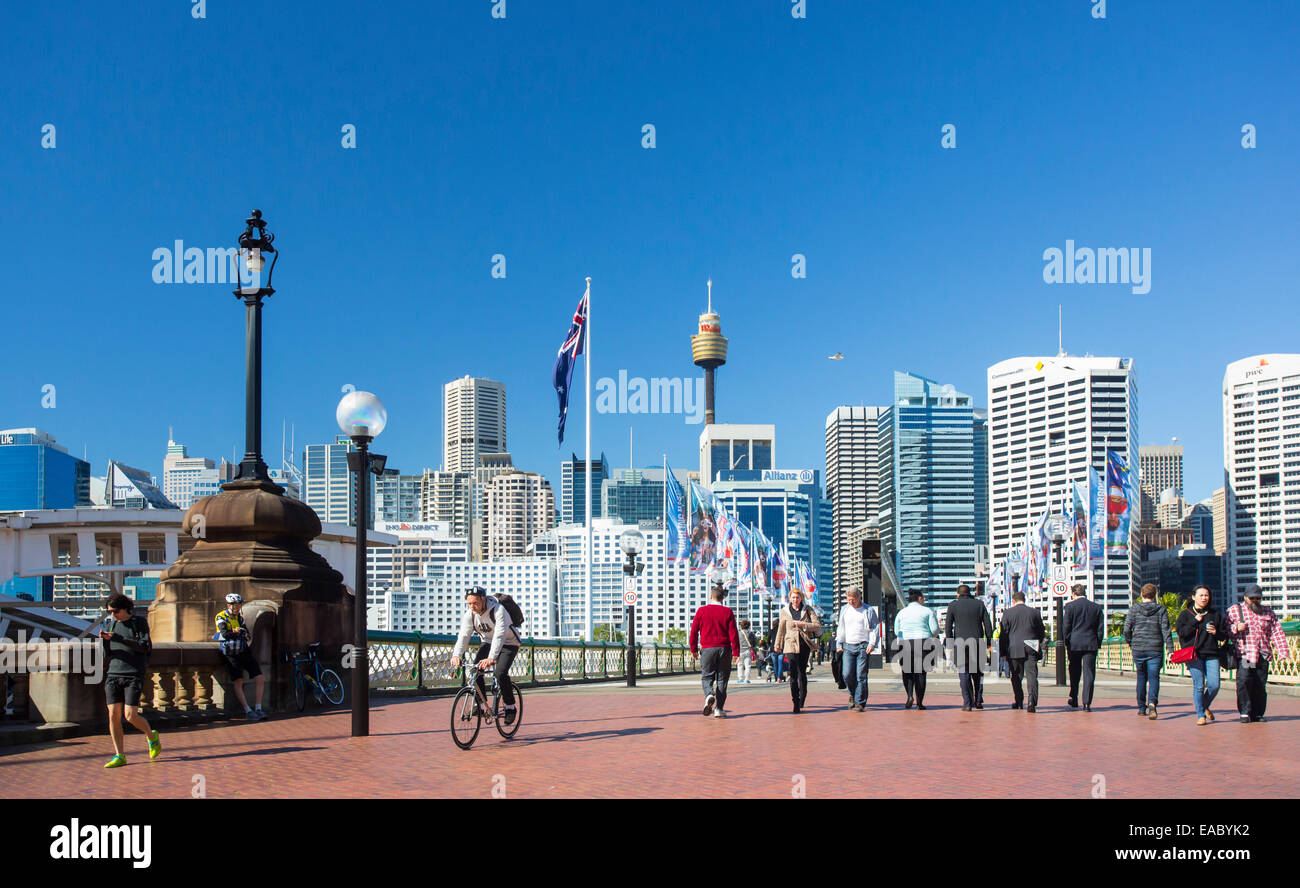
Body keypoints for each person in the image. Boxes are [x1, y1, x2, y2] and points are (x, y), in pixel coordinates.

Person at [99, 593, 161, 768]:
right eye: (109, 611)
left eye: (115, 611)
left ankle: (151, 735)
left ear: (126, 608)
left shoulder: (138, 622)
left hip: (133, 673)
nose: (112, 615)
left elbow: (144, 646)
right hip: (113, 673)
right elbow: (108, 653)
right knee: (113, 714)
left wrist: (117, 638)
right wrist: (105, 641)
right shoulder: (111, 624)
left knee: (130, 716)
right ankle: (120, 755)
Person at [449, 586, 522, 725]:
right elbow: (464, 635)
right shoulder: (470, 614)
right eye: (469, 603)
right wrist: (456, 655)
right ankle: (482, 707)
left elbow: (500, 636)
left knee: (500, 673)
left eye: (475, 603)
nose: (472, 606)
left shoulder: (498, 610)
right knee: (475, 670)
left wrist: (491, 658)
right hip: (488, 642)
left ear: (483, 599)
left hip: (509, 642)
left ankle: (510, 707)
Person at [1228, 583, 1291, 724]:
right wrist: (1235, 628)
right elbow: (1224, 630)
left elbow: (1276, 632)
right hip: (1246, 654)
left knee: (1260, 684)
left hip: (1263, 654)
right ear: (1245, 597)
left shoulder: (1268, 612)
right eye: (1252, 598)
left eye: (1258, 598)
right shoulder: (1235, 611)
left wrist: (1282, 651)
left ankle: (1258, 713)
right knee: (1244, 681)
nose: (1255, 600)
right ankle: (1245, 711)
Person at [1174, 585, 1230, 726]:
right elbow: (1181, 633)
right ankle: (1200, 715)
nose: (1204, 598)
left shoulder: (1215, 614)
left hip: (1212, 653)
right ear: (1193, 597)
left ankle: (1203, 706)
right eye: (1201, 595)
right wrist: (1195, 621)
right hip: (1194, 654)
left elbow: (1224, 635)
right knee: (1198, 685)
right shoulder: (1185, 614)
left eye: (1206, 595)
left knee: (1214, 685)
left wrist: (1216, 632)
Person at [689, 580, 740, 717]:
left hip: (707, 649)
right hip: (724, 649)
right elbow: (733, 634)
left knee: (707, 677)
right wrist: (736, 653)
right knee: (722, 679)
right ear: (722, 598)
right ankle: (719, 709)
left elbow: (694, 631)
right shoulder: (727, 611)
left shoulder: (702, 611)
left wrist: (693, 649)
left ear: (710, 597)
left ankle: (709, 695)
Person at [1123, 583, 1174, 719]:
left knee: (1141, 677)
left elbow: (1126, 630)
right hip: (1155, 648)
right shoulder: (1161, 609)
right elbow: (1166, 631)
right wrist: (1170, 649)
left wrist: (1131, 643)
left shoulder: (1134, 609)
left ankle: (1141, 707)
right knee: (1153, 677)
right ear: (1155, 595)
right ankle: (1152, 702)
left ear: (1141, 595)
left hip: (1138, 648)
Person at [214, 593, 266, 720]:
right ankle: (248, 711)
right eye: (234, 605)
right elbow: (225, 633)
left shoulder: (240, 618)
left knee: (260, 678)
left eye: (238, 605)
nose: (236, 607)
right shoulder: (221, 616)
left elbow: (247, 635)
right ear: (229, 605)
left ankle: (258, 708)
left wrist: (239, 632)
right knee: (239, 681)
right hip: (230, 653)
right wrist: (236, 632)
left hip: (243, 651)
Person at [945, 583, 993, 711]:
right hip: (977, 643)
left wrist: (949, 644)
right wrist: (988, 642)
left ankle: (967, 702)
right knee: (977, 674)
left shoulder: (953, 605)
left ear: (958, 594)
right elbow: (988, 624)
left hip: (960, 644)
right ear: (969, 593)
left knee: (964, 674)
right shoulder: (979, 604)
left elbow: (948, 626)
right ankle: (978, 700)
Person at [774, 588, 821, 713]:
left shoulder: (808, 609)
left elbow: (817, 625)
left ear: (801, 598)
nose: (795, 600)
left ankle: (802, 697)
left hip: (804, 643)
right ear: (790, 598)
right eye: (793, 597)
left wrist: (803, 624)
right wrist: (777, 644)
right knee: (793, 673)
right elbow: (781, 629)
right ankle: (795, 701)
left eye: (797, 597)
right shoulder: (784, 611)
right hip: (790, 644)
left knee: (802, 672)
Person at [999, 590, 1045, 712]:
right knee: (1032, 675)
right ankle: (1031, 702)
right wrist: (1037, 641)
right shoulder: (1034, 612)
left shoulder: (1008, 613)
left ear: (1013, 601)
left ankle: (1019, 701)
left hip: (1014, 647)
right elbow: (1041, 631)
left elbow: (1003, 634)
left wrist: (1002, 652)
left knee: (1016, 676)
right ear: (1024, 600)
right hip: (1031, 646)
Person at [1061, 583, 1105, 711]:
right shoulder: (1096, 607)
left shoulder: (1069, 607)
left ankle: (1074, 698)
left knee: (1074, 671)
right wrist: (1097, 642)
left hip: (1074, 644)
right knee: (1089, 673)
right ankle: (1086, 703)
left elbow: (1066, 627)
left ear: (1073, 594)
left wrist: (1067, 641)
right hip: (1091, 644)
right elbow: (1100, 629)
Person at [836, 587, 880, 712]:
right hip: (848, 645)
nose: (851, 602)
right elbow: (841, 627)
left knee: (861, 675)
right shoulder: (844, 610)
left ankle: (860, 702)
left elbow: (874, 628)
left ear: (859, 597)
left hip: (863, 645)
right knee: (847, 674)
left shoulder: (868, 610)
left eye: (853, 600)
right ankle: (852, 694)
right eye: (849, 600)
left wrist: (872, 644)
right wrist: (839, 644)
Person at [893, 590, 939, 710]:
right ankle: (919, 702)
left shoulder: (902, 613)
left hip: (906, 643)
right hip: (923, 642)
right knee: (921, 673)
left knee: (907, 672)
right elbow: (935, 630)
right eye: (923, 598)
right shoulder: (927, 611)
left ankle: (909, 696)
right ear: (920, 598)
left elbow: (897, 631)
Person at [737, 619, 757, 684]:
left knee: (740, 665)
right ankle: (747, 679)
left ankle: (740, 678)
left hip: (740, 651)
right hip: (748, 650)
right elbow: (755, 641)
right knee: (748, 666)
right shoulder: (751, 633)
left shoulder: (738, 633)